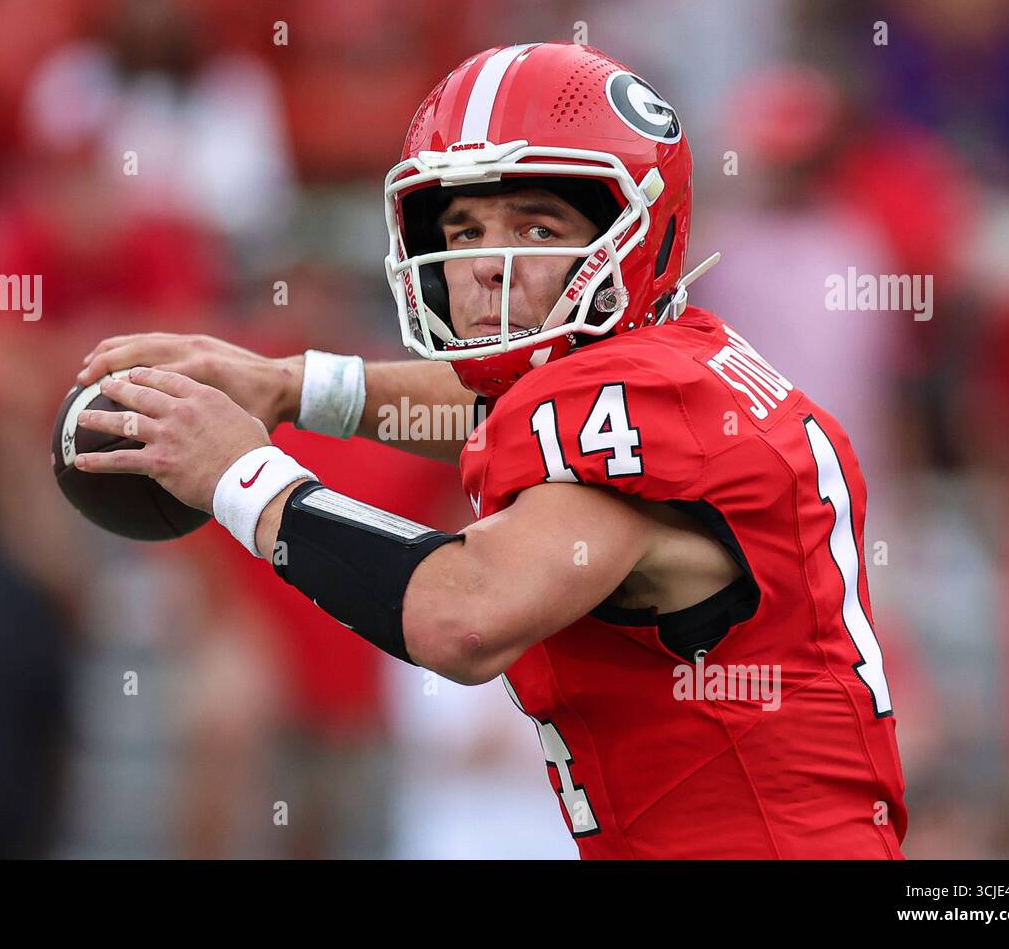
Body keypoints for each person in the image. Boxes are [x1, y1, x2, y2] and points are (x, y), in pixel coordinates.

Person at [74, 42, 907, 859]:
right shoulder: (681, 364)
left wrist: (239, 476)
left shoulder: (634, 410)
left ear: (639, 230)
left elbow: (461, 618)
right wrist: (291, 385)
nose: (486, 265)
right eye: (465, 229)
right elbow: (499, 413)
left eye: (535, 227)